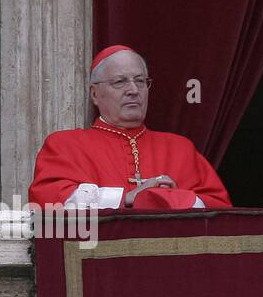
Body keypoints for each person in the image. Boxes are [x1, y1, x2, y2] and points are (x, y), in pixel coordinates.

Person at [29, 45, 231, 210]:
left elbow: (219, 210)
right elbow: (49, 200)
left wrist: (173, 198)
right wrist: (128, 198)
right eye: (120, 82)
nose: (134, 90)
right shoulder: (65, 145)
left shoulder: (180, 148)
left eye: (140, 81)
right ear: (95, 94)